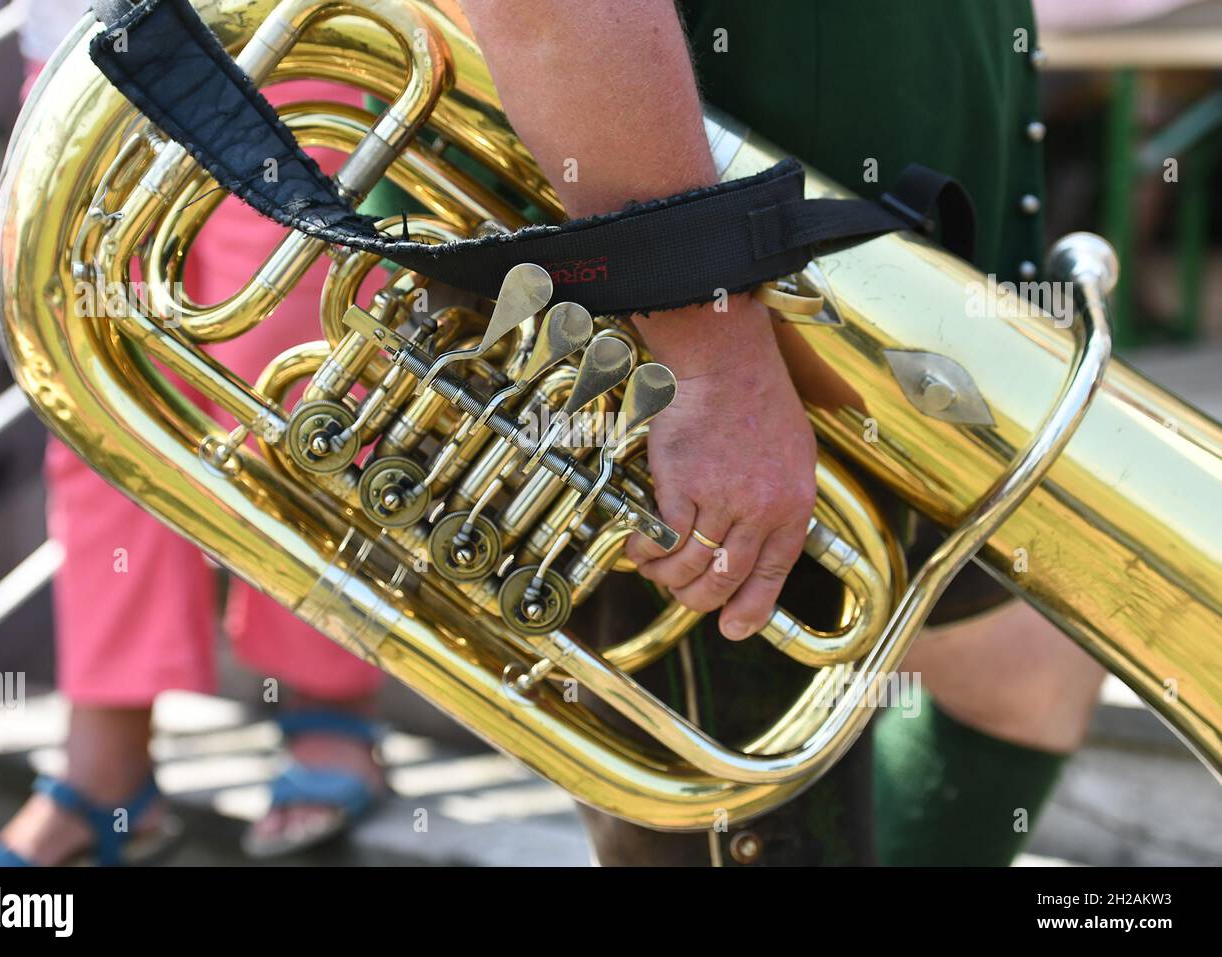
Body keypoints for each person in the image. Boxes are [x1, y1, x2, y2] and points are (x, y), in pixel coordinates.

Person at [456, 0, 1108, 865]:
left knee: (1029, 669)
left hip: (914, 320)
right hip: (718, 339)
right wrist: (711, 356)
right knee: (762, 825)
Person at [0, 0, 395, 866]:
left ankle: (329, 700)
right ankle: (107, 761)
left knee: (298, 377)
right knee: (91, 405)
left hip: (282, 40)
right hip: (81, 53)